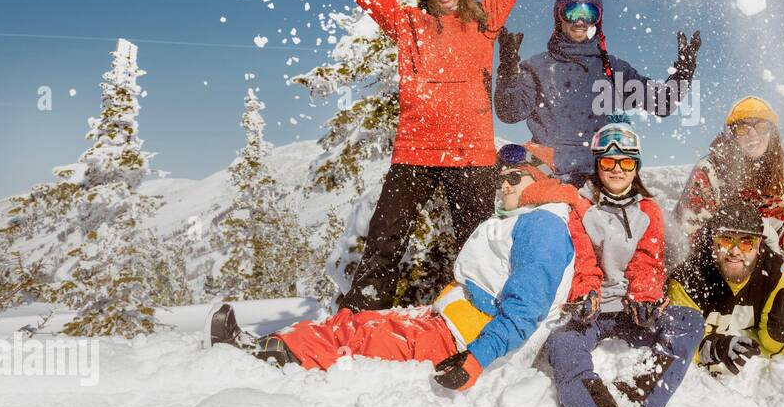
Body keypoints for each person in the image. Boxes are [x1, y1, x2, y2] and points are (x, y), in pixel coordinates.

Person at [287, 0, 549, 311]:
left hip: (471, 158)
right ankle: (363, 312)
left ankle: (482, 315)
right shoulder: (406, 24)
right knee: (384, 240)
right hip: (415, 153)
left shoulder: (485, 22)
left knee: (478, 243)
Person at [207, 143, 602, 391]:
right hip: (448, 322)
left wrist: (476, 359)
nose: (502, 185)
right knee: (359, 322)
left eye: (513, 178)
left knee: (359, 341)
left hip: (463, 340)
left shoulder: (544, 226)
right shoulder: (523, 218)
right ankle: (279, 342)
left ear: (538, 181)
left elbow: (524, 310)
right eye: (500, 178)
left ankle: (273, 354)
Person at [543, 115, 705, 407]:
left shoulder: (648, 210)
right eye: (609, 162)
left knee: (689, 322)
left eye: (626, 162)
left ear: (636, 167)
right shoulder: (581, 206)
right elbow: (583, 258)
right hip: (594, 308)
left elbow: (648, 260)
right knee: (562, 343)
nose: (618, 170)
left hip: (631, 309)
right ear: (598, 164)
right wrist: (587, 294)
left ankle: (634, 403)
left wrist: (644, 298)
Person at [493, 0, 702, 185]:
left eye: (590, 14)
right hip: (547, 177)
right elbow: (510, 113)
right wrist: (509, 72)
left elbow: (662, 104)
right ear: (559, 16)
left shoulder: (611, 70)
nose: (581, 21)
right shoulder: (537, 67)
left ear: (597, 21)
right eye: (572, 12)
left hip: (598, 180)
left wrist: (683, 73)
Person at [670, 96, 784, 267]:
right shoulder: (708, 173)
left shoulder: (782, 179)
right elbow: (690, 241)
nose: (753, 134)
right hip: (712, 270)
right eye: (742, 128)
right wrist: (756, 235)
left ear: (772, 133)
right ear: (731, 135)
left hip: (762, 272)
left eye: (762, 126)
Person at [669, 201, 784, 379]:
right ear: (712, 242)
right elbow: (676, 342)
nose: (735, 252)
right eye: (726, 240)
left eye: (746, 243)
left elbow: (773, 349)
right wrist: (715, 349)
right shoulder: (689, 278)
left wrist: (779, 330)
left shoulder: (773, 275)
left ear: (758, 246)